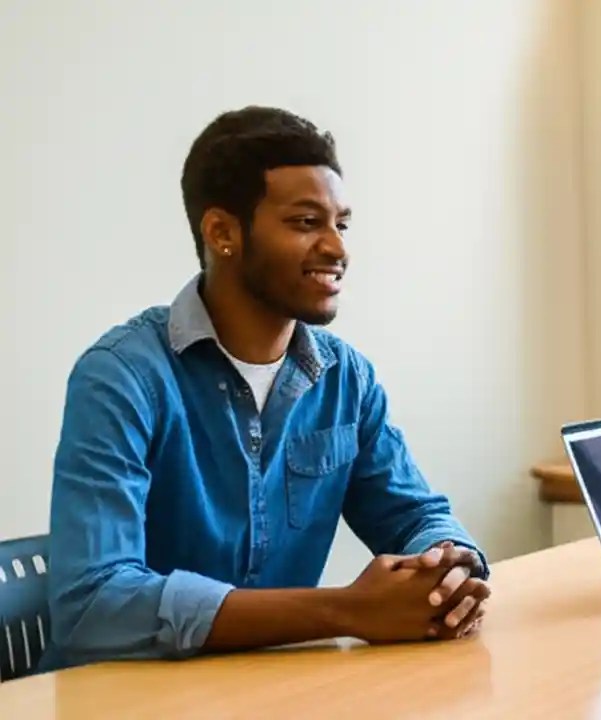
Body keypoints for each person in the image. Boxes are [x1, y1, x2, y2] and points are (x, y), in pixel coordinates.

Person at [42, 106, 490, 671]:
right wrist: (345, 611)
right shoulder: (121, 377)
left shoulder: (346, 378)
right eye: (306, 223)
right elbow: (93, 608)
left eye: (341, 224)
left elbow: (416, 516)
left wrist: (450, 569)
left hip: (271, 692)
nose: (337, 248)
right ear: (223, 232)